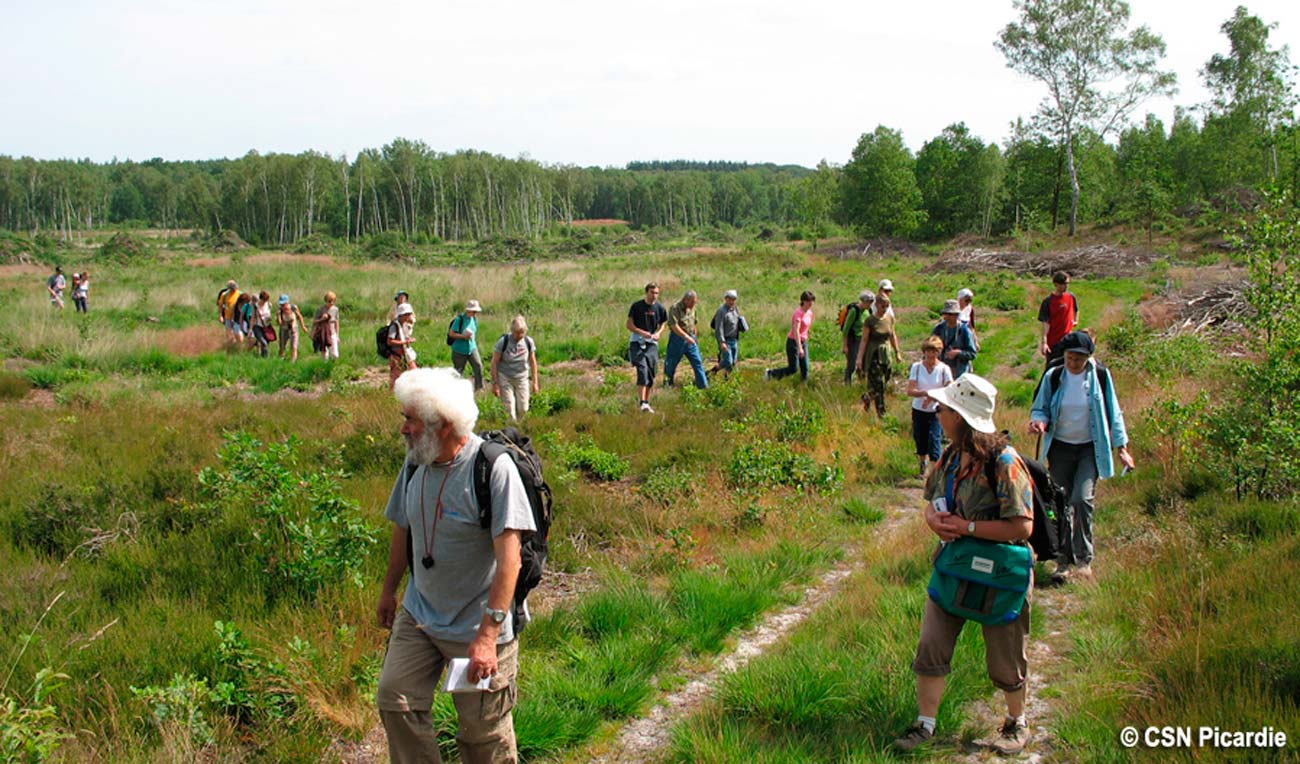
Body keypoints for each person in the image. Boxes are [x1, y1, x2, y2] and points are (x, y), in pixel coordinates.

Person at [376, 367, 535, 764]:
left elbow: (509, 561)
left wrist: (487, 635)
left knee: (483, 737)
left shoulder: (493, 469)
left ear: (442, 425)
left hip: (476, 626)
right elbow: (402, 528)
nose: (404, 430)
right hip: (419, 616)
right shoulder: (415, 464)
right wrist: (388, 590)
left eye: (411, 420)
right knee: (396, 701)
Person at [894, 373, 1035, 756]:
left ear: (960, 415)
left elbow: (1023, 525)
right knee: (931, 646)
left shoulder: (1005, 463)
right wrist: (932, 519)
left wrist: (967, 526)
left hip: (999, 575)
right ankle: (925, 725)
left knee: (1005, 654)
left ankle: (1015, 723)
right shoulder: (951, 455)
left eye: (943, 407)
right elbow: (930, 500)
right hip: (955, 566)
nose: (936, 412)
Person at [1028, 331, 1134, 584]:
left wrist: (1122, 450)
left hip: (1090, 448)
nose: (1073, 363)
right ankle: (1062, 561)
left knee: (1082, 499)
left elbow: (1114, 412)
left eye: (1079, 359)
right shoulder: (1054, 376)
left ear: (1089, 358)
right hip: (1060, 448)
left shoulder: (1099, 376)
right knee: (1060, 504)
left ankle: (1084, 559)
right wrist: (1038, 422)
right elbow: (1039, 407)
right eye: (1070, 357)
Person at [907, 336, 954, 476]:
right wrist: (925, 393)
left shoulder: (944, 369)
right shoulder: (916, 367)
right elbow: (910, 390)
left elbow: (949, 390)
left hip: (937, 411)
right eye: (928, 351)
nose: (930, 354)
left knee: (934, 439)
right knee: (920, 437)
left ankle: (935, 471)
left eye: (933, 351)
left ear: (938, 352)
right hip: (919, 409)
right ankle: (923, 463)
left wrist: (933, 397)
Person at [855, 293, 903, 417]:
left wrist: (897, 352)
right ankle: (881, 412)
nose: (885, 309)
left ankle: (867, 397)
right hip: (873, 354)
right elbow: (864, 340)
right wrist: (860, 359)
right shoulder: (870, 320)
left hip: (885, 354)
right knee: (879, 384)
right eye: (883, 306)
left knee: (885, 379)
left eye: (887, 306)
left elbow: (892, 335)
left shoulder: (889, 318)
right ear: (877, 305)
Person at [627, 283, 668, 413]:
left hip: (652, 343)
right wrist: (640, 332)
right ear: (646, 292)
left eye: (656, 293)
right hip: (637, 342)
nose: (654, 295)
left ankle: (646, 402)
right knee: (642, 369)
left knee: (651, 371)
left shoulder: (660, 308)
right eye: (652, 292)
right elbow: (629, 325)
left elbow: (663, 323)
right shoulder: (637, 306)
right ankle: (642, 402)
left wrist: (659, 333)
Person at [491, 316, 540, 421]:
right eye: (517, 333)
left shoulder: (528, 342)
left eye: (522, 333)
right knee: (509, 408)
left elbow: (533, 362)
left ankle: (520, 425)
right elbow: (494, 362)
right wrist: (495, 383)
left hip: (522, 378)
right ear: (512, 331)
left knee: (524, 408)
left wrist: (535, 382)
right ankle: (512, 430)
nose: (520, 335)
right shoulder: (503, 342)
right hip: (505, 377)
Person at [765, 291, 815, 382]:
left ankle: (803, 387)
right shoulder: (798, 314)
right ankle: (771, 373)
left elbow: (806, 328)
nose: (811, 303)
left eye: (812, 301)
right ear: (803, 301)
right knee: (793, 368)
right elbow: (796, 331)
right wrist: (799, 348)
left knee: (805, 368)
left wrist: (805, 339)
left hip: (803, 341)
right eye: (808, 301)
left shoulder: (810, 313)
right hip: (793, 342)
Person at [663, 290, 709, 390]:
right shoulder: (675, 308)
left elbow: (694, 323)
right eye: (692, 302)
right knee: (671, 363)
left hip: (691, 339)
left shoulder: (693, 308)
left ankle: (703, 386)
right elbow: (674, 326)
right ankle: (667, 385)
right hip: (677, 339)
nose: (693, 304)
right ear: (685, 300)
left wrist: (694, 337)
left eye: (695, 302)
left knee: (698, 362)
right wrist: (686, 337)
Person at [1038, 271, 1079, 368]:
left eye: (1067, 283)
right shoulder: (1048, 301)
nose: (1066, 286)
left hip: (1068, 339)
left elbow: (1076, 309)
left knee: (1068, 366)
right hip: (1054, 341)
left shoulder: (1071, 297)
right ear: (1056, 284)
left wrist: (1075, 321)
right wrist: (1044, 343)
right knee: (1052, 368)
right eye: (1064, 284)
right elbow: (1045, 323)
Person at [931, 299, 977, 379]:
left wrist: (958, 353)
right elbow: (929, 347)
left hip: (959, 373)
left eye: (950, 314)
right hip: (941, 371)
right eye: (945, 314)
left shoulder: (964, 330)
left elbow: (972, 354)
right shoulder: (938, 329)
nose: (947, 317)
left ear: (957, 315)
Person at [708, 289, 745, 378]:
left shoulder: (735, 309)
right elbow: (718, 328)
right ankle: (714, 370)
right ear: (725, 299)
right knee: (728, 361)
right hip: (726, 340)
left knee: (733, 362)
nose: (731, 301)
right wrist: (722, 342)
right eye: (729, 299)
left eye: (733, 299)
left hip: (734, 339)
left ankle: (727, 378)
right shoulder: (721, 311)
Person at [448, 300, 485, 390]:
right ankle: (457, 389)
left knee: (478, 366)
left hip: (472, 348)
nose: (475, 313)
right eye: (474, 311)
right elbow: (451, 334)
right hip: (459, 350)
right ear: (468, 310)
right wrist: (462, 336)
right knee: (459, 371)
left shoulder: (474, 319)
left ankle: (479, 388)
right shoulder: (459, 320)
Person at [841, 291, 874, 384]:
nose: (870, 304)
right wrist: (845, 346)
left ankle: (862, 383)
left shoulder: (869, 311)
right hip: (853, 341)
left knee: (863, 363)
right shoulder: (854, 311)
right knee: (852, 364)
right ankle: (847, 383)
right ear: (863, 301)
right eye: (869, 302)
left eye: (872, 302)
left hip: (864, 341)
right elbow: (845, 329)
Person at [387, 303, 418, 389]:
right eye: (406, 314)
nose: (408, 316)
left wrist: (407, 341)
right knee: (395, 379)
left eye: (409, 314)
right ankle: (392, 397)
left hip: (405, 355)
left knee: (414, 374)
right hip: (396, 356)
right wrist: (404, 342)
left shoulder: (405, 325)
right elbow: (390, 341)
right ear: (401, 314)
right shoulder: (394, 326)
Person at [277, 294, 307, 362]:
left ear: (287, 302)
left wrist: (303, 326)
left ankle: (293, 361)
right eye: (281, 304)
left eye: (284, 304)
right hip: (284, 330)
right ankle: (280, 360)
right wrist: (278, 316)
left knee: (294, 346)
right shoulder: (280, 310)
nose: (283, 306)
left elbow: (299, 317)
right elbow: (279, 323)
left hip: (294, 329)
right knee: (282, 346)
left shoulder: (293, 308)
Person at [313, 291, 341, 360]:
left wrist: (337, 335)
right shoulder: (320, 309)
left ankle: (333, 365)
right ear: (326, 301)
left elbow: (336, 322)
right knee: (325, 355)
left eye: (333, 301)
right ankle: (325, 367)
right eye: (329, 301)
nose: (331, 303)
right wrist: (322, 319)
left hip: (332, 333)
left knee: (335, 354)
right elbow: (314, 322)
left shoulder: (335, 309)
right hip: (323, 333)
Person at [217, 280, 242, 345]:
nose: (234, 290)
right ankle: (232, 347)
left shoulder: (240, 294)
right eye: (232, 289)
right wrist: (220, 316)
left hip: (237, 317)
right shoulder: (224, 295)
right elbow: (220, 306)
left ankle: (239, 348)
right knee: (229, 334)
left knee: (238, 334)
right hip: (227, 317)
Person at [250, 291, 273, 358]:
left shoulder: (268, 304)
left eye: (266, 300)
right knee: (264, 342)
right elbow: (252, 318)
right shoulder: (255, 306)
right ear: (261, 299)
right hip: (257, 327)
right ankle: (266, 358)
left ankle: (262, 357)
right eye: (264, 300)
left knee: (266, 343)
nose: (265, 302)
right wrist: (250, 330)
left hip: (267, 326)